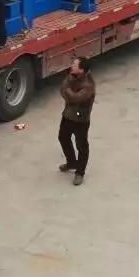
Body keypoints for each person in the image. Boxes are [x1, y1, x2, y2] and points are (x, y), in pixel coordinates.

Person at [58, 56, 96, 186]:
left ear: (81, 70)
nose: (71, 66)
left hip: (81, 120)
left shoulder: (89, 85)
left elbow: (74, 98)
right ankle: (71, 163)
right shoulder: (72, 75)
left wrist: (67, 91)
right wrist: (68, 92)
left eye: (74, 65)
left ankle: (80, 172)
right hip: (68, 115)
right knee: (63, 137)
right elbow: (62, 89)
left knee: (82, 146)